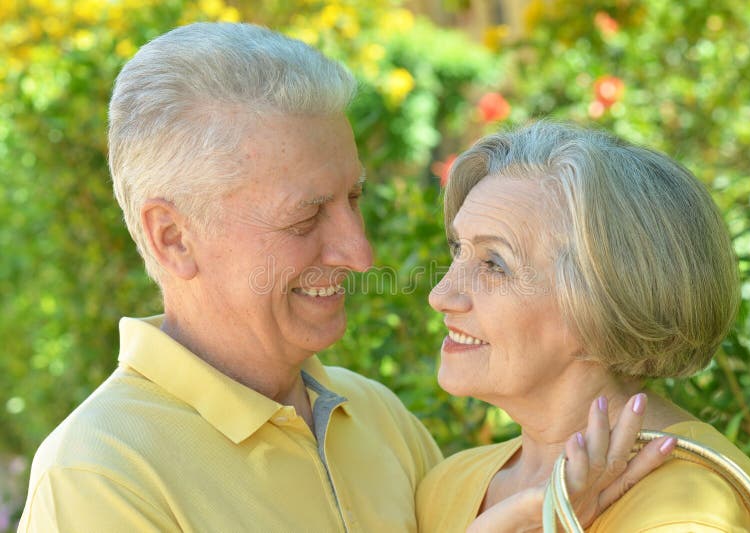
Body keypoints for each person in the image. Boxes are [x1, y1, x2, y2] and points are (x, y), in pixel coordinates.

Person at [19, 23, 668, 532]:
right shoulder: (98, 471)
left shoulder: (379, 420)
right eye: (306, 216)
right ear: (173, 236)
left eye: (353, 200)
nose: (359, 253)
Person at [416, 120, 750, 532]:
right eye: (457, 249)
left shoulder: (688, 512)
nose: (441, 294)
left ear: (607, 302)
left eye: (494, 264)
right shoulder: (448, 486)